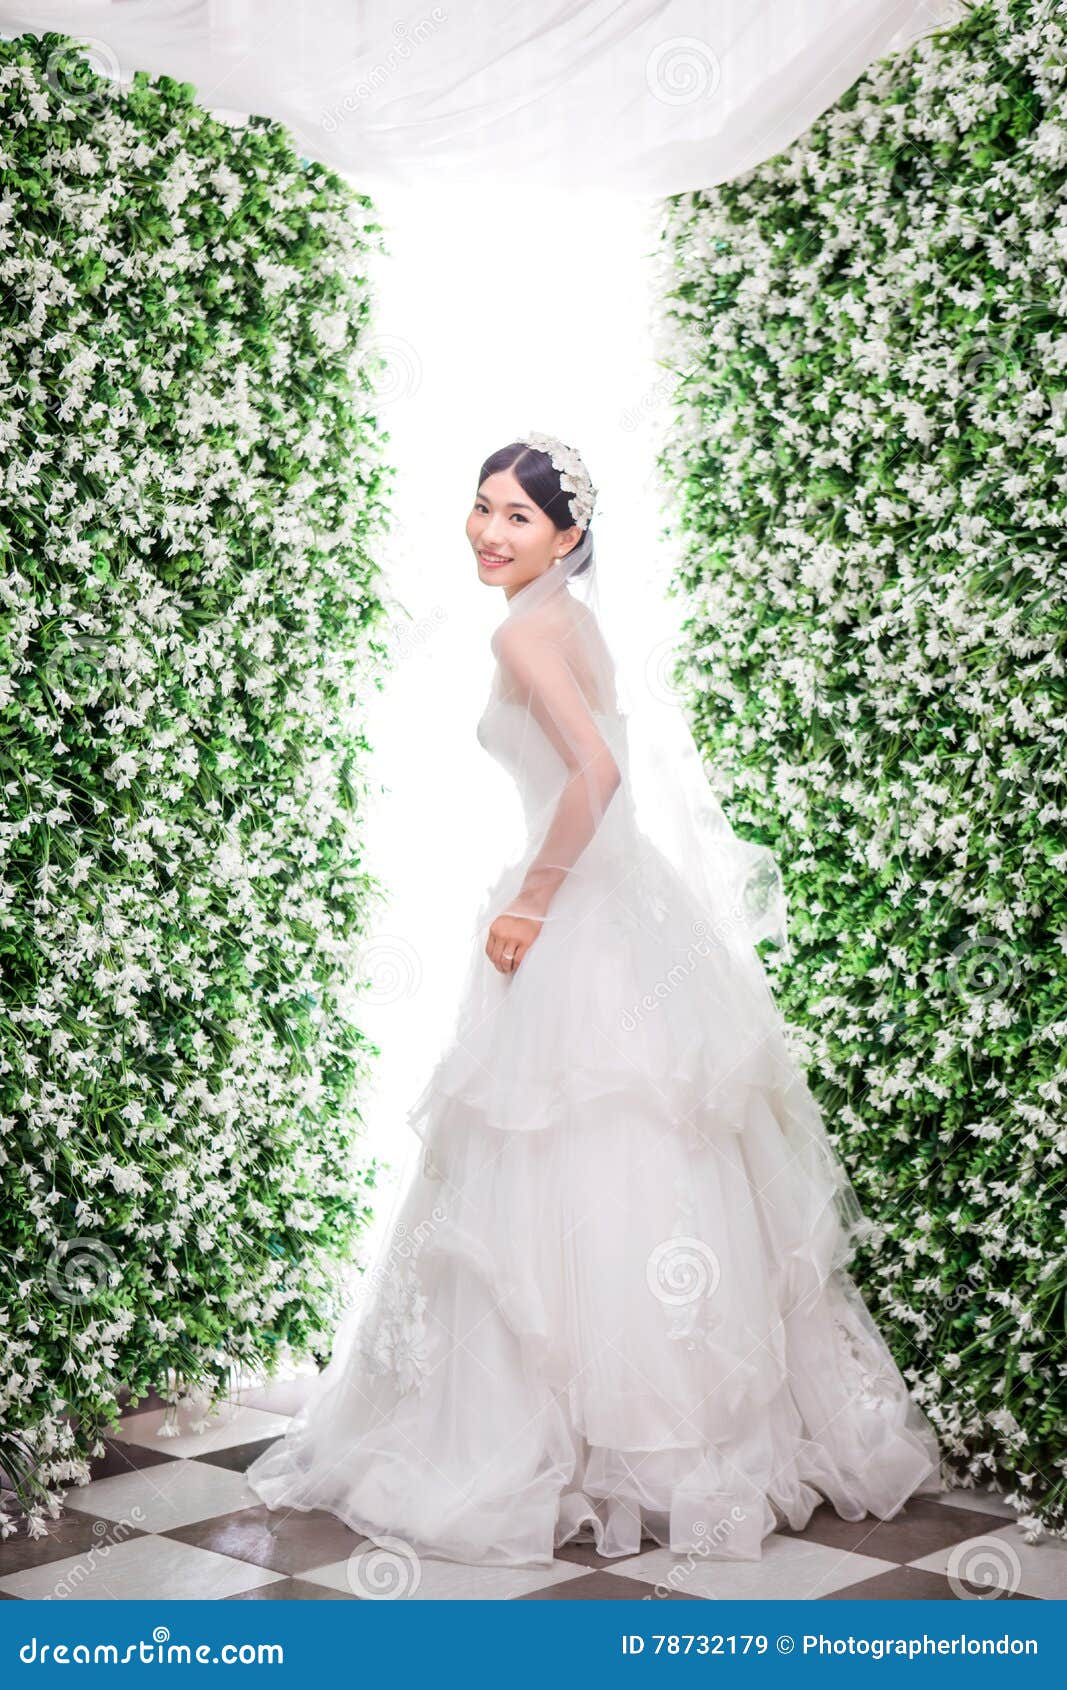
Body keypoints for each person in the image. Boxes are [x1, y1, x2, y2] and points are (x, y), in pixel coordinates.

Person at [245, 432, 942, 1568]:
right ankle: (652, 1440)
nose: (487, 530)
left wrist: (529, 899)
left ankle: (575, 1443)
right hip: (621, 911)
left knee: (567, 1147)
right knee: (634, 1162)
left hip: (574, 910)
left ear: (566, 536)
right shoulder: (567, 617)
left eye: (516, 516)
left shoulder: (526, 629)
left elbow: (596, 775)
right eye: (479, 506)